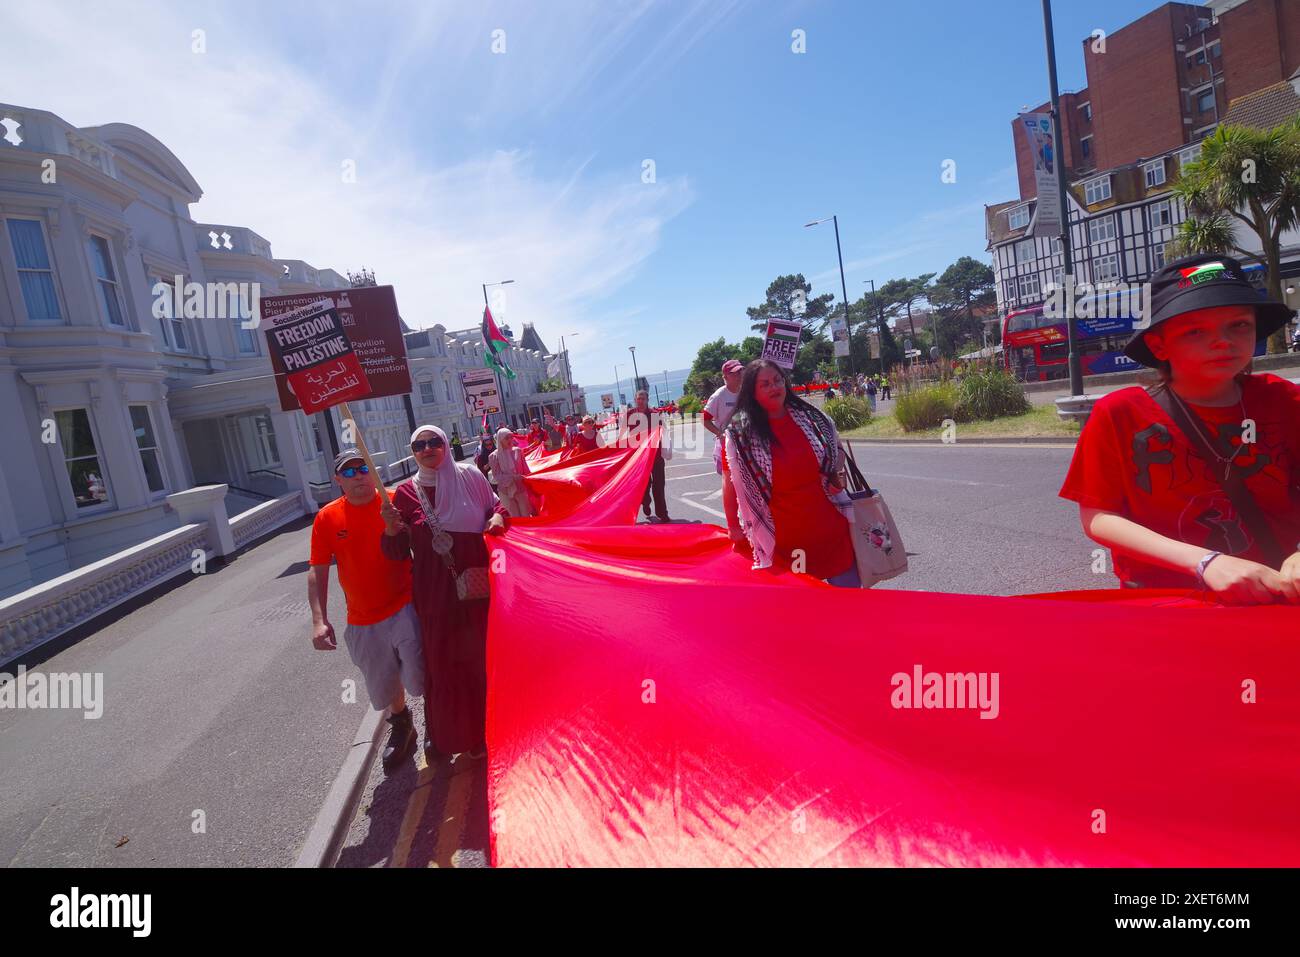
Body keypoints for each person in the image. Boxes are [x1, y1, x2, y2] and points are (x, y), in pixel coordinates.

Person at [1059, 254, 1300, 604]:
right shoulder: (1120, 413)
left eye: (1239, 325)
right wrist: (1206, 563)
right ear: (1158, 345)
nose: (1223, 342)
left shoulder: (1283, 399)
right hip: (1169, 601)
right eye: (1195, 331)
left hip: (1276, 594)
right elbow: (1098, 517)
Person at [380, 426, 509, 765]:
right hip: (436, 595)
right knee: (442, 663)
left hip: (476, 589)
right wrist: (392, 529)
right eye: (419, 445)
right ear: (413, 452)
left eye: (434, 442)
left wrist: (496, 516)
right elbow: (396, 552)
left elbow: (499, 508)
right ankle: (443, 732)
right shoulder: (406, 493)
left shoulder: (470, 476)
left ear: (446, 446)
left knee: (479, 660)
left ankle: (485, 731)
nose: (427, 449)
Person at [308, 449, 424, 773]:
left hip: (406, 604)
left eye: (363, 468)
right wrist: (319, 620)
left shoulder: (392, 501)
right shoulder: (328, 518)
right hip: (363, 618)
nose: (358, 475)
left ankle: (439, 720)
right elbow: (317, 569)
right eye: (349, 472)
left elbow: (421, 543)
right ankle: (402, 725)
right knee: (385, 686)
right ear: (338, 481)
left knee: (419, 674)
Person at [722, 360, 859, 587]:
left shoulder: (814, 420)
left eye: (777, 380)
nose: (774, 387)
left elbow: (836, 456)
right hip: (789, 545)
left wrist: (834, 475)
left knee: (852, 609)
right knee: (806, 615)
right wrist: (733, 526)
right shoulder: (740, 437)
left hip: (832, 533)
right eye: (765, 384)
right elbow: (730, 483)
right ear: (752, 393)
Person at [619, 389, 670, 523]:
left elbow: (662, 432)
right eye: (638, 398)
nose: (641, 401)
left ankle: (662, 513)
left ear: (647, 400)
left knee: (659, 484)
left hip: (656, 455)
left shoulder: (654, 414)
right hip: (639, 458)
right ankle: (645, 501)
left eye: (643, 398)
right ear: (635, 400)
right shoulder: (629, 415)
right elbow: (623, 435)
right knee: (643, 484)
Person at [704, 359, 744, 528]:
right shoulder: (720, 395)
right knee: (731, 486)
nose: (739, 375)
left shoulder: (746, 392)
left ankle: (746, 521)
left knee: (745, 486)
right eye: (735, 373)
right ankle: (734, 526)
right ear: (725, 376)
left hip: (745, 445)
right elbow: (705, 419)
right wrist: (720, 434)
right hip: (727, 448)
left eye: (740, 371)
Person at [489, 427, 534, 517]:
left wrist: (531, 481)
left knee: (526, 515)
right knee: (514, 517)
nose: (510, 440)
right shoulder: (494, 456)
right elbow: (497, 475)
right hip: (505, 491)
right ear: (500, 440)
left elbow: (525, 469)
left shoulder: (518, 451)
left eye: (511, 437)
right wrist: (513, 477)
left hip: (520, 488)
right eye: (506, 438)